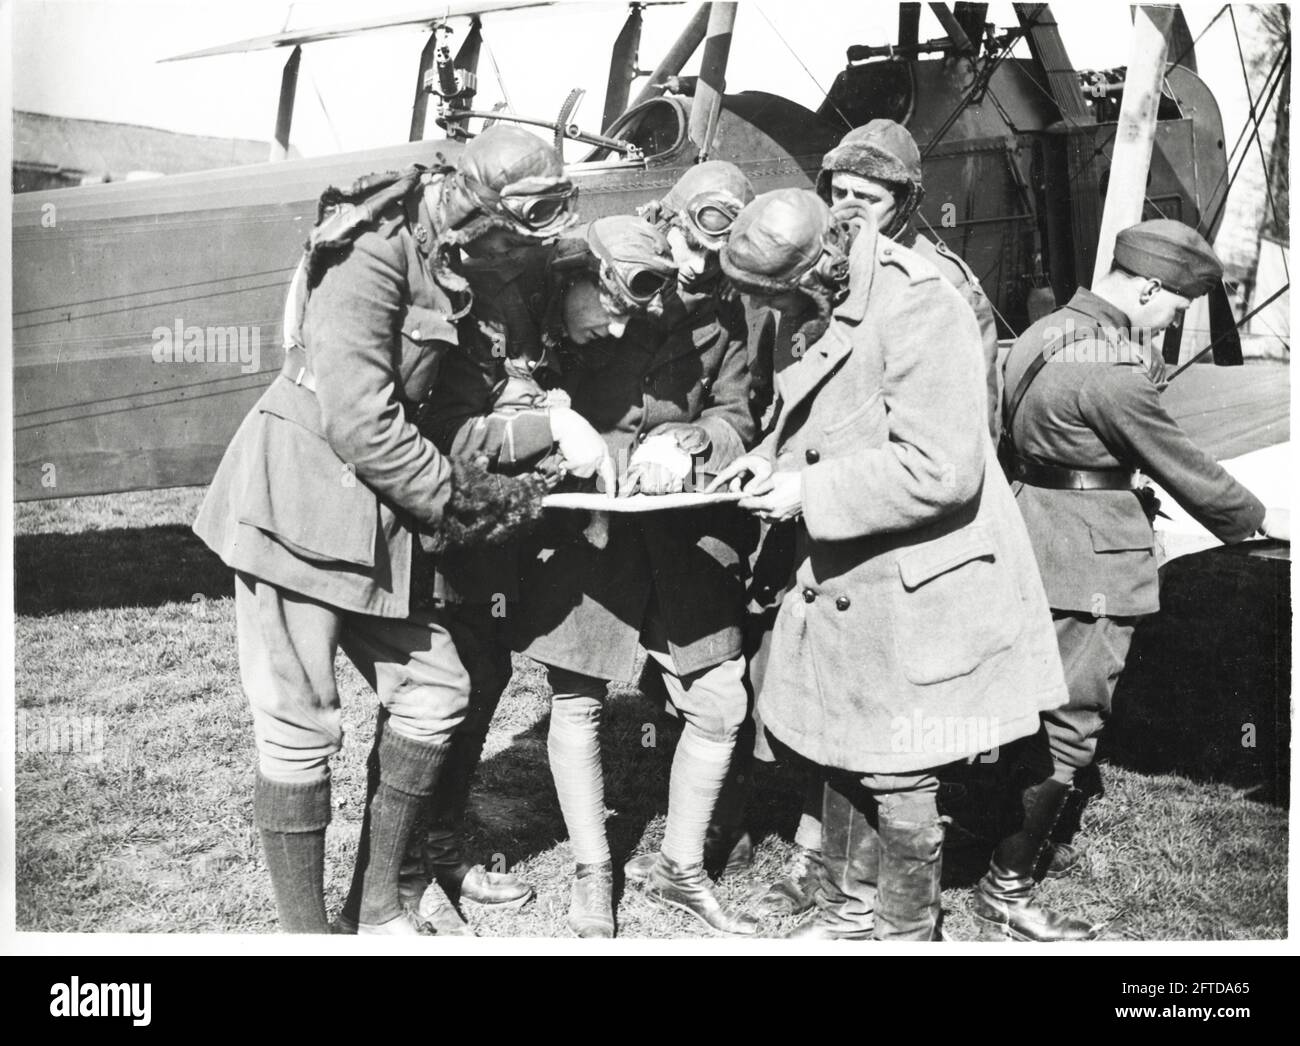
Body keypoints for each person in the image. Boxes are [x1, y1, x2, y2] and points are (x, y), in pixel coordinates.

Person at [192, 126, 609, 935]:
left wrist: (538, 430)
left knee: (436, 688)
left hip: (379, 516)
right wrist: (459, 509)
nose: (515, 253)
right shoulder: (373, 252)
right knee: (301, 723)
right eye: (510, 230)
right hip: (297, 503)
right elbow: (360, 422)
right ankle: (307, 938)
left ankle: (378, 905)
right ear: (471, 206)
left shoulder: (459, 257)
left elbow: (449, 407)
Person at [711, 189, 1067, 940]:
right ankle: (849, 919)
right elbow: (822, 414)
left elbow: (942, 468)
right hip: (851, 564)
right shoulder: (835, 290)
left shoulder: (918, 303)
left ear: (814, 269)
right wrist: (764, 459)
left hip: (921, 573)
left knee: (900, 771)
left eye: (776, 296)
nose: (772, 312)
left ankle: (906, 933)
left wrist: (807, 491)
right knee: (842, 750)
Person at [978, 218, 1289, 941]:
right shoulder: (1112, 370)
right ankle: (1010, 887)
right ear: (1150, 286)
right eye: (1176, 305)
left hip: (1030, 536)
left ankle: (988, 832)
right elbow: (1184, 467)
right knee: (1074, 722)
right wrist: (1261, 519)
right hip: (1092, 558)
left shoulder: (1043, 332)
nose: (1173, 318)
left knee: (1023, 702)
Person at [513, 210, 760, 938]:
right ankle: (593, 870)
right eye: (611, 310)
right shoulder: (543, 309)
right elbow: (513, 396)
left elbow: (735, 411)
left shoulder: (707, 313)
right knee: (577, 702)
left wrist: (692, 438)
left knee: (719, 704)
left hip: (683, 536)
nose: (622, 328)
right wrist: (554, 421)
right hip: (590, 538)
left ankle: (681, 869)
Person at [817, 119, 1001, 439]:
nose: (847, 210)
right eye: (838, 193)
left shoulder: (944, 283)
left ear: (904, 202)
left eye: (867, 199)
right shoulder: (825, 265)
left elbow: (972, 428)